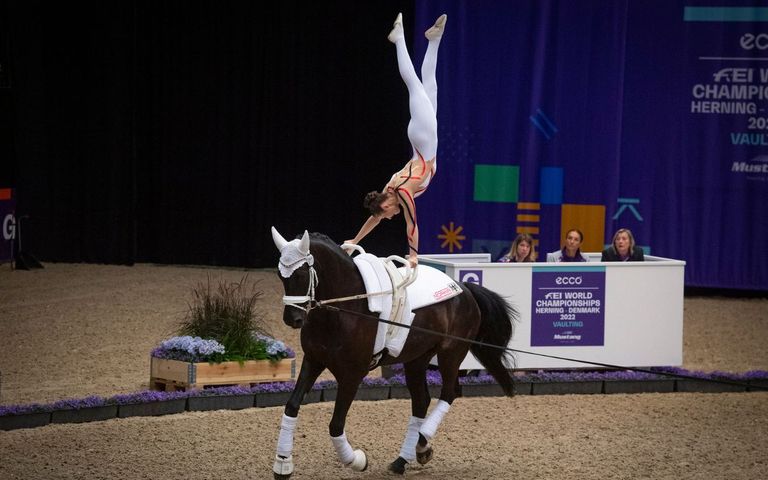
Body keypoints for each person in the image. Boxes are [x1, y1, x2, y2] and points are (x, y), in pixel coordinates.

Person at [345, 13, 447, 268]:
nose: (391, 217)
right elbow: (375, 218)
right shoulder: (390, 188)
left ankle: (399, 38)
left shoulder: (401, 190)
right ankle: (433, 41)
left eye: (388, 214)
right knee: (429, 87)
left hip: (424, 140)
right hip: (421, 142)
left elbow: (412, 224)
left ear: (386, 203)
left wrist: (413, 254)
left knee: (414, 85)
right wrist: (354, 240)